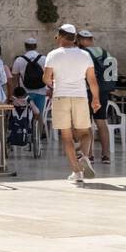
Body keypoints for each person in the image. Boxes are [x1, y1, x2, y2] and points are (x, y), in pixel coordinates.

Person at [44, 24, 99, 183]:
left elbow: (46, 78)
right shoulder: (85, 55)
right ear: (75, 38)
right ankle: (85, 156)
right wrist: (96, 99)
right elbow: (92, 80)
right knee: (85, 132)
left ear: (60, 36)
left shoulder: (53, 55)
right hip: (80, 97)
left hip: (61, 96)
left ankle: (77, 172)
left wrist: (53, 82)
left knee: (67, 137)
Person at [77, 29, 116, 164]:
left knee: (87, 123)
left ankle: (89, 155)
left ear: (81, 40)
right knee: (101, 122)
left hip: (89, 91)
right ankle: (106, 155)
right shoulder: (105, 52)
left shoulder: (83, 54)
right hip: (103, 92)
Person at [12, 38, 48, 116]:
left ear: (25, 46)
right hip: (41, 91)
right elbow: (49, 75)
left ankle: (27, 128)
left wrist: (13, 93)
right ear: (36, 46)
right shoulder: (44, 59)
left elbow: (14, 78)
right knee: (39, 115)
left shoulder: (19, 60)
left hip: (25, 93)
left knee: (25, 115)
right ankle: (39, 127)